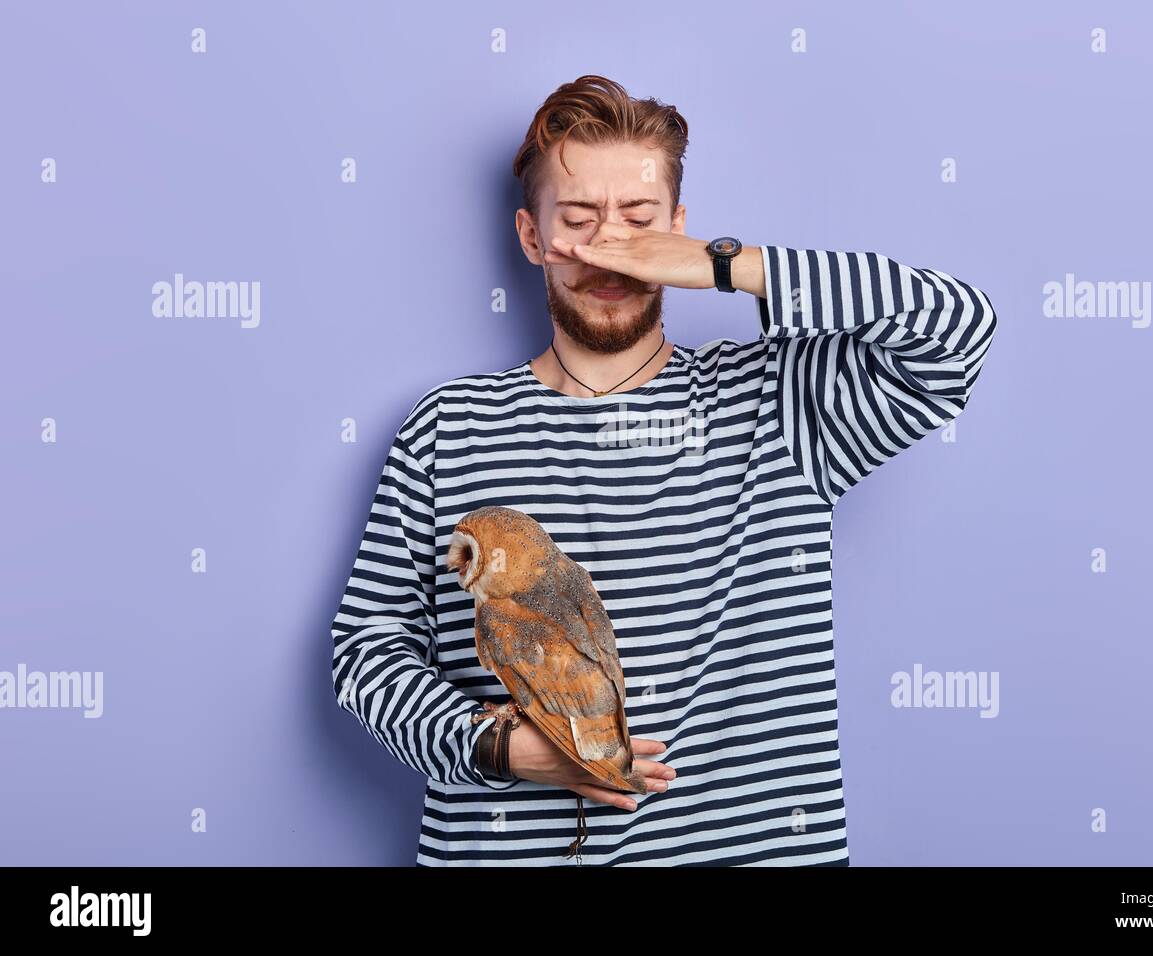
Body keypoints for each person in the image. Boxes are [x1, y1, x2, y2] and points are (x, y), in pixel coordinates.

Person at [330, 74, 998, 866]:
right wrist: (500, 746)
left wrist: (724, 265)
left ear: (677, 228)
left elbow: (959, 331)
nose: (609, 250)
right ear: (531, 237)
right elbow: (367, 649)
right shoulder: (449, 426)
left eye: (638, 221)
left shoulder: (781, 401)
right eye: (578, 222)